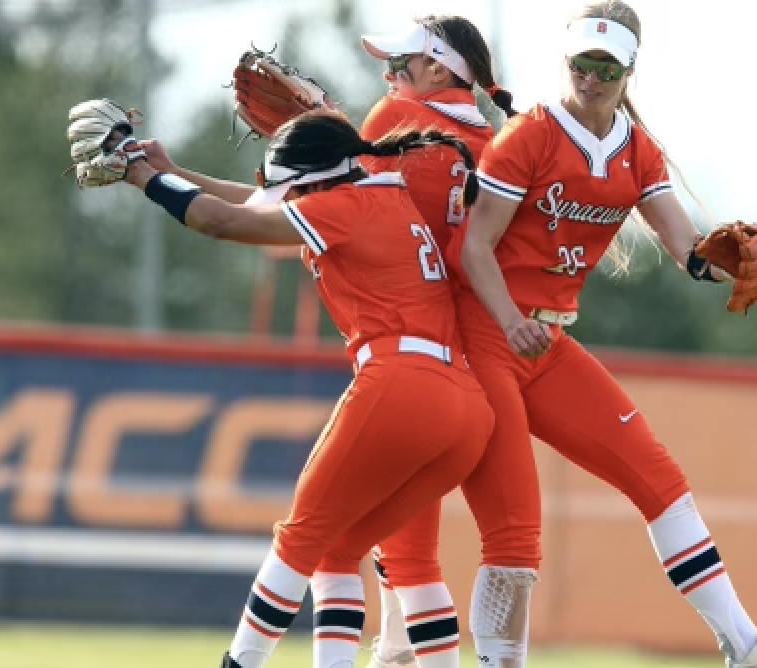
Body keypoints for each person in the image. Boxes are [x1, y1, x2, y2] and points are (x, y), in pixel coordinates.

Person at [373, 3, 757, 668]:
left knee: (660, 481)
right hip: (487, 339)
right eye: (580, 64)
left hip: (546, 346)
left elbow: (688, 251)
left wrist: (726, 261)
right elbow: (473, 249)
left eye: (605, 66)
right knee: (515, 538)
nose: (590, 78)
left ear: (628, 69)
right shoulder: (531, 137)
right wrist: (510, 320)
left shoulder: (637, 150)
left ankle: (746, 647)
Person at [93, 109, 496, 668]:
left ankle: (241, 661)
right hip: (465, 409)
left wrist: (144, 179)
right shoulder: (377, 193)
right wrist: (172, 170)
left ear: (321, 181)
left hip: (402, 382)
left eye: (295, 188)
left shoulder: (345, 206)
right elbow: (257, 204)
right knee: (340, 550)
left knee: (298, 541)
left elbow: (225, 222)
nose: (287, 198)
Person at [306, 16, 521, 668]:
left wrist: (307, 130)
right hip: (476, 361)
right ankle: (400, 648)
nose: (389, 73)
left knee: (339, 548)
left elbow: (322, 193)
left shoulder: (396, 114)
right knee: (435, 551)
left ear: (437, 71)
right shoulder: (498, 143)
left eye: (401, 62)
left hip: (403, 356)